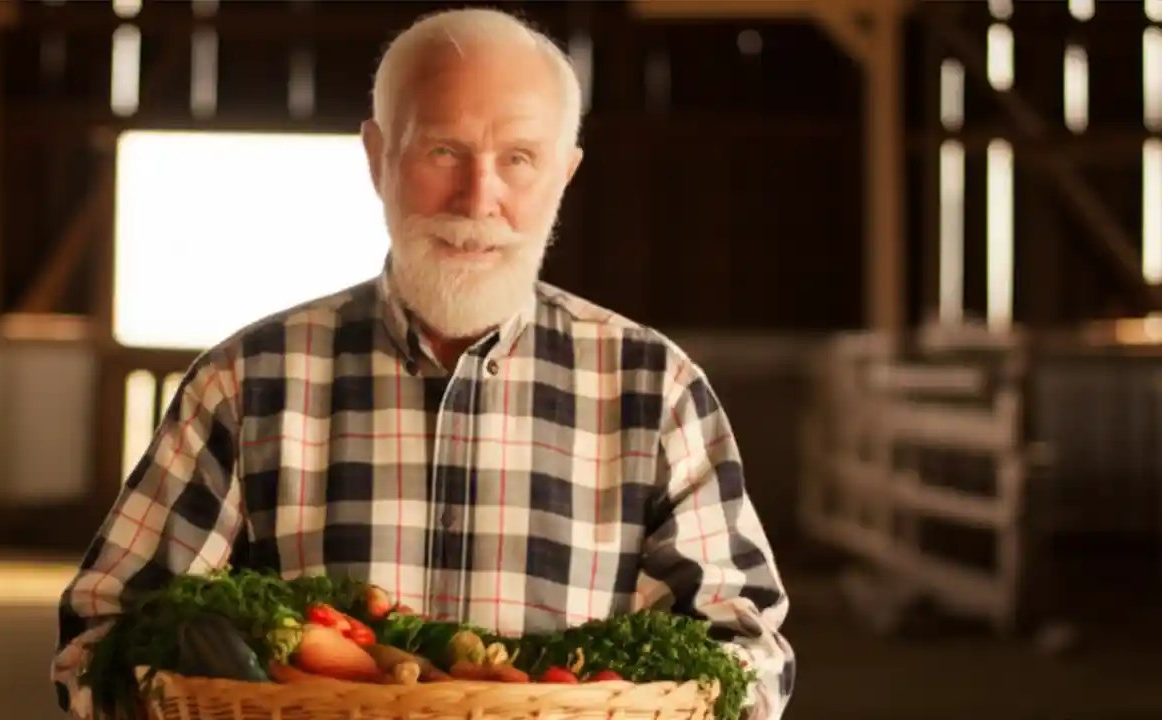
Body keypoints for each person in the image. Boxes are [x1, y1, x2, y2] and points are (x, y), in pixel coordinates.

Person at [51, 7, 794, 719]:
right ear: (378, 158)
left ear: (564, 175)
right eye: (443, 151)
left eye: (519, 159)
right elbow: (103, 636)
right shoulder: (247, 383)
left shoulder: (654, 390)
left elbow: (748, 654)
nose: (478, 198)